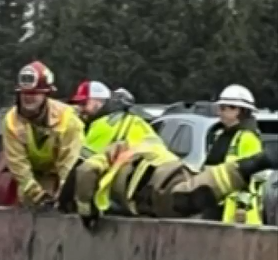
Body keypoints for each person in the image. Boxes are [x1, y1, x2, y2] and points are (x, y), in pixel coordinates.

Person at [72, 138, 276, 227]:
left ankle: (251, 164)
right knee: (197, 200)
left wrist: (86, 210)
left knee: (190, 196)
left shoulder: (101, 158)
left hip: (153, 190)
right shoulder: (125, 146)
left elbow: (85, 171)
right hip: (168, 173)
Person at [1, 61, 84, 207]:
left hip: (61, 174)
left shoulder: (68, 119)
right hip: (32, 175)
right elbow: (18, 165)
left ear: (46, 94)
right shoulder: (11, 121)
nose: (28, 97)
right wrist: (37, 195)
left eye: (35, 93)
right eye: (24, 93)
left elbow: (69, 162)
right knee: (28, 204)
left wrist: (65, 192)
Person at [203, 84, 266, 225]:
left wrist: (242, 207)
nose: (220, 112)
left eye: (224, 108)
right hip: (218, 208)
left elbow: (252, 176)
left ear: (239, 110)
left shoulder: (248, 138)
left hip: (239, 216)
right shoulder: (222, 135)